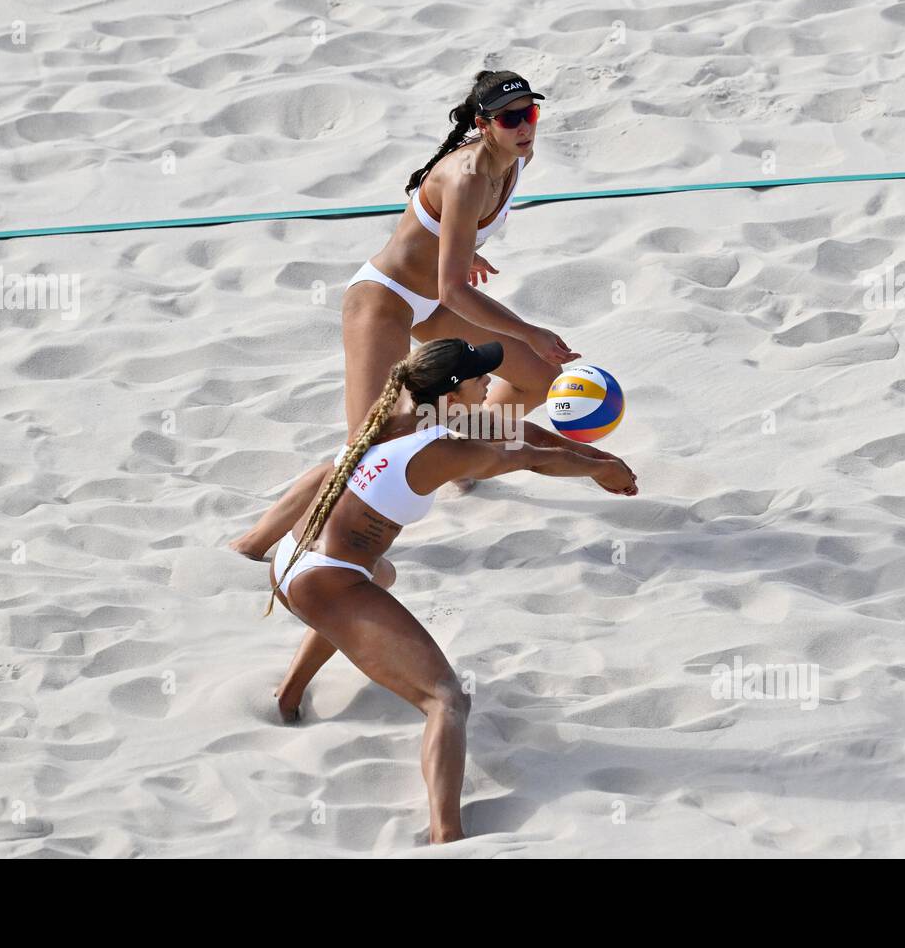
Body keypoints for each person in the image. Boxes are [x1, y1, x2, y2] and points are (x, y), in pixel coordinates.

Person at [263, 338, 638, 843]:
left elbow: (516, 434)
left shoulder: (396, 413)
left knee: (381, 576)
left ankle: (287, 696)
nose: (491, 383)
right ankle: (448, 837)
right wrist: (600, 470)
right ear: (455, 392)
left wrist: (593, 454)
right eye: (482, 376)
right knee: (447, 701)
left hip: (291, 563)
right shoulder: (438, 450)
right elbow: (527, 458)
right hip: (324, 583)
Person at [231, 69, 576, 560]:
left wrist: (460, 246)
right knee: (370, 443)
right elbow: (454, 290)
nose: (525, 126)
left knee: (540, 375)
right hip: (386, 300)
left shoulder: (517, 158)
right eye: (510, 118)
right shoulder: (468, 175)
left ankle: (464, 457)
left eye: (531, 113)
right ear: (483, 123)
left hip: (431, 301)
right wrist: (529, 330)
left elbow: (436, 237)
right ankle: (253, 543)